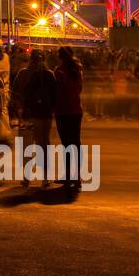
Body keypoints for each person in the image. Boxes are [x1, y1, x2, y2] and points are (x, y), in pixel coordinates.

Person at [18, 49, 58, 187]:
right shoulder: (50, 74)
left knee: (27, 146)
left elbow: (17, 93)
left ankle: (27, 176)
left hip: (29, 114)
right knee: (44, 144)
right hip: (45, 114)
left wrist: (20, 111)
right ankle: (45, 178)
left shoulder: (23, 73)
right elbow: (55, 95)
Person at [53, 46, 85, 189]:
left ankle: (67, 175)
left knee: (66, 144)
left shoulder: (58, 71)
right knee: (76, 143)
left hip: (62, 110)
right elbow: (79, 89)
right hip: (76, 110)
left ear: (60, 57)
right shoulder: (78, 70)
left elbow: (56, 91)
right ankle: (77, 175)